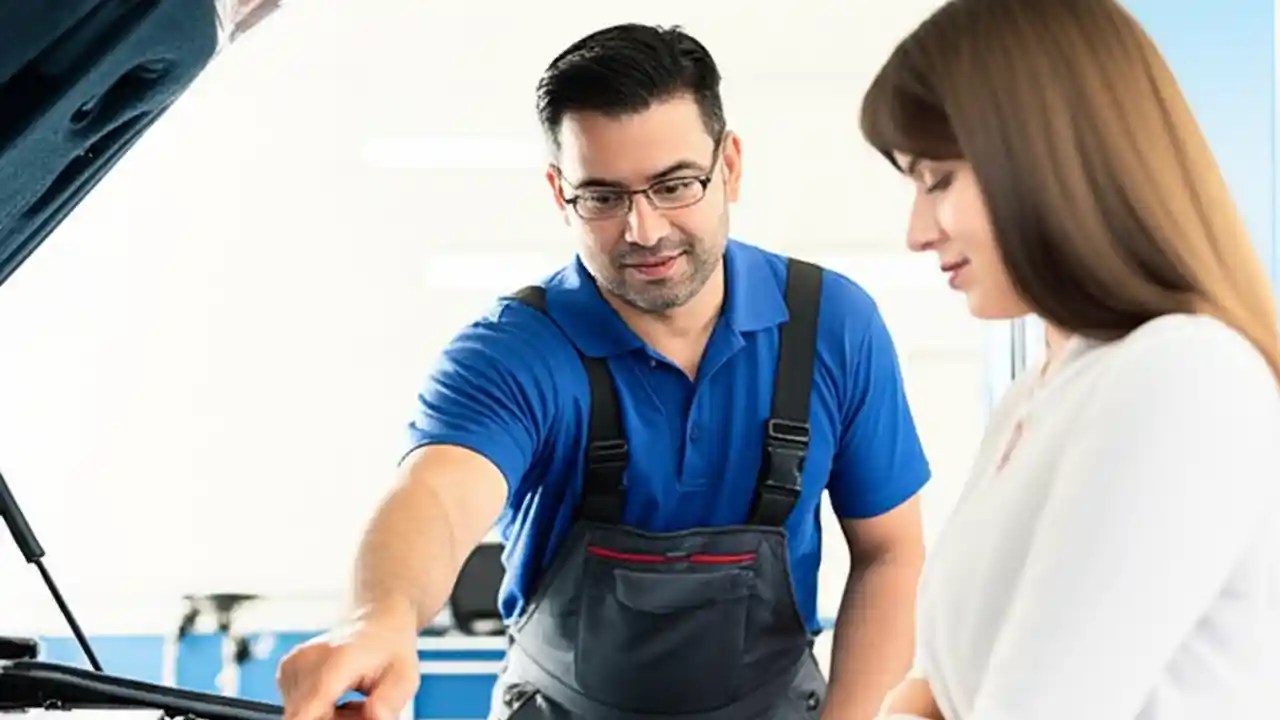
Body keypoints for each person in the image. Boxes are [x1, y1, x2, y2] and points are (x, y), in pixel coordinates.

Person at [276, 22, 933, 720]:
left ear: (730, 167)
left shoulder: (832, 326)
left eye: (675, 185)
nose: (644, 231)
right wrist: (379, 617)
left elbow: (890, 551)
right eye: (604, 197)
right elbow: (436, 497)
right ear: (561, 193)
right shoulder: (515, 351)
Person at [856, 1, 1280, 718]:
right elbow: (931, 690)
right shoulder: (1039, 395)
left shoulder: (1181, 377)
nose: (916, 232)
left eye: (939, 181)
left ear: (1047, 158)